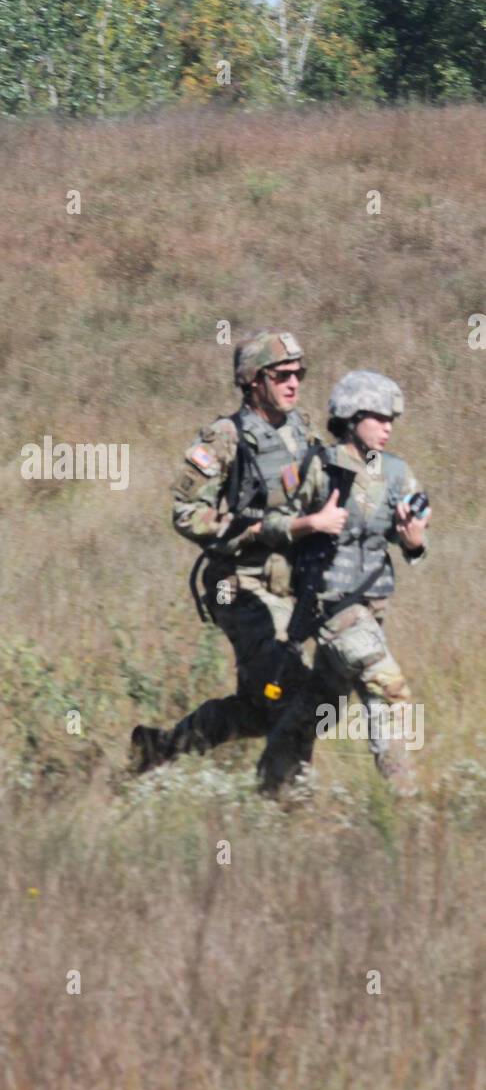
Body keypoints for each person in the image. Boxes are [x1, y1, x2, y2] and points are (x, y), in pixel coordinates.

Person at [130, 328, 344, 772]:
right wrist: (262, 529)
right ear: (253, 381)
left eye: (299, 373)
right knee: (298, 690)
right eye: (282, 374)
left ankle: (162, 748)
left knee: (259, 707)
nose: (294, 383)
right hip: (238, 586)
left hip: (288, 585)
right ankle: (283, 795)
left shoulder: (298, 428)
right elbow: (187, 513)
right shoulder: (225, 438)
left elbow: (319, 492)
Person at [255, 371, 430, 797]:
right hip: (331, 607)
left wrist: (414, 543)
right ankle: (405, 802)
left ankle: (272, 786)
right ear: (351, 417)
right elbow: (269, 521)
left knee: (322, 708)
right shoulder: (317, 466)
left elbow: (410, 536)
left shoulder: (395, 472)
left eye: (392, 419)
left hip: (371, 610)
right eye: (378, 417)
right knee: (389, 692)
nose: (388, 427)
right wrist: (312, 522)